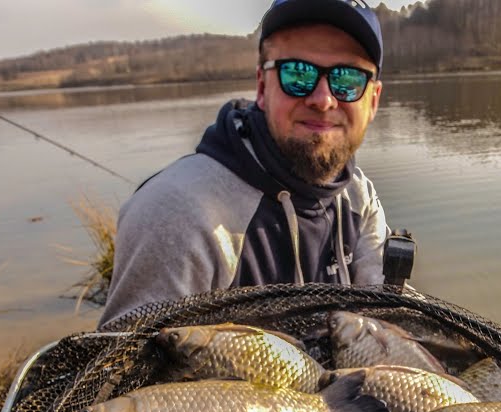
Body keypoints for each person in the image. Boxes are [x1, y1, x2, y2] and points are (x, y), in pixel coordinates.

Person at [98, 0, 389, 329]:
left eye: (348, 80)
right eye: (297, 73)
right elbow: (120, 373)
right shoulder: (176, 213)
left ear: (374, 100)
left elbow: (387, 325)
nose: (323, 99)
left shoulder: (359, 197)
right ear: (263, 88)